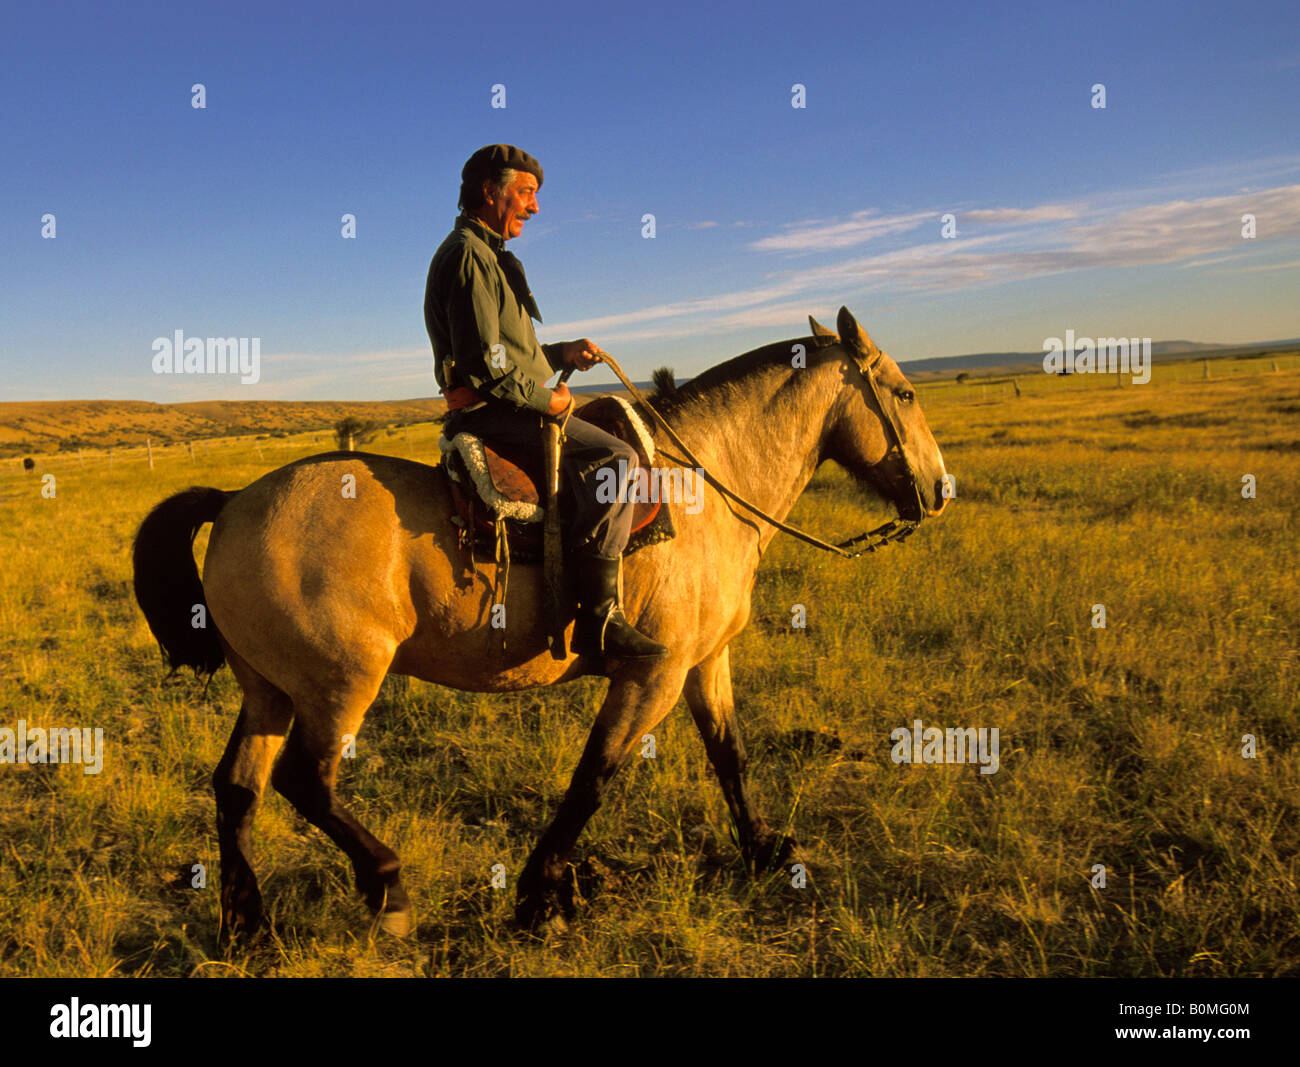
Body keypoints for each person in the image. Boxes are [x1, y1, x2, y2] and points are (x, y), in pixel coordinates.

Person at [424, 144, 668, 662]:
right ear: (491, 193)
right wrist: (547, 402)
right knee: (618, 461)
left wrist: (559, 354)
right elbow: (487, 368)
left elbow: (509, 350)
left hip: (506, 401)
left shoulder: (484, 254)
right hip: (493, 412)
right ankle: (599, 621)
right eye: (526, 194)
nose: (534, 208)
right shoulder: (470, 256)